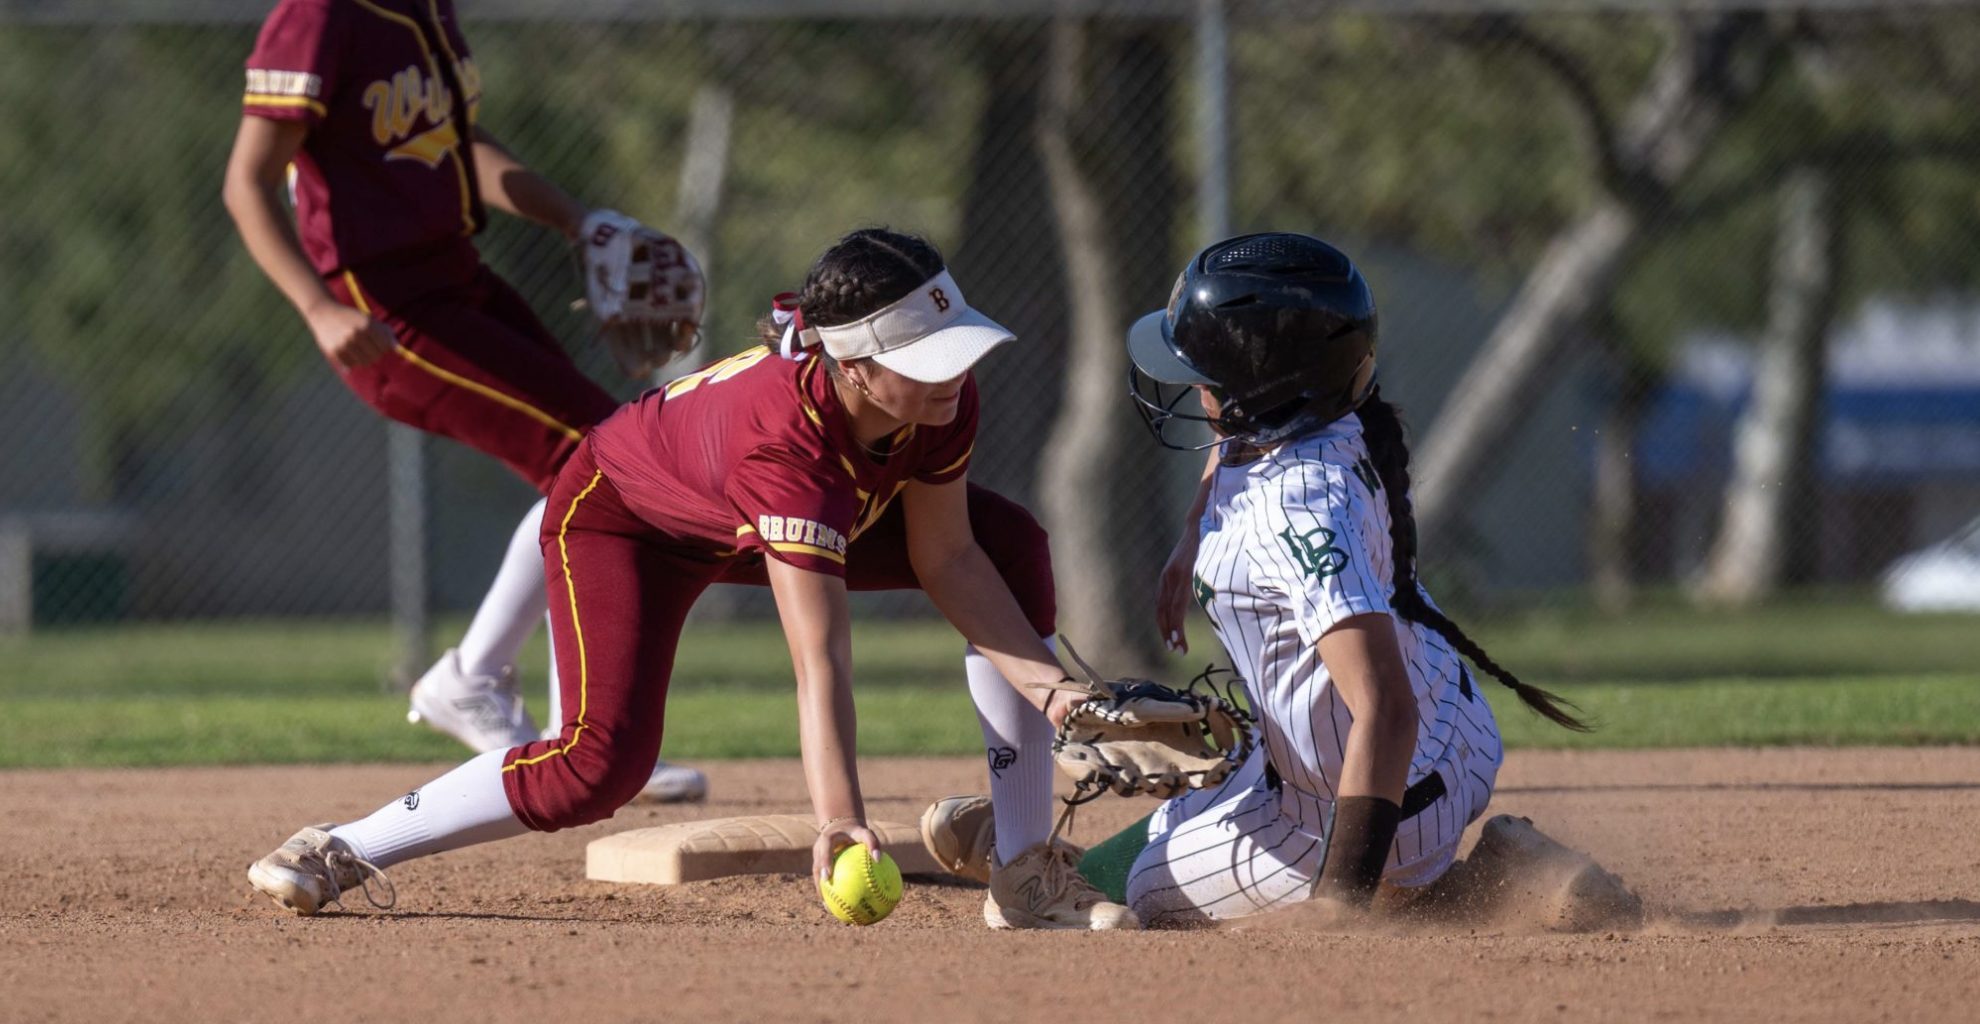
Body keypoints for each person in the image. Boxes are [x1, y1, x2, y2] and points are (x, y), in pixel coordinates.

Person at [245, 228, 1138, 931]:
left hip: (754, 512)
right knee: (598, 767)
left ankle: (1024, 868)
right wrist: (839, 817)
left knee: (1009, 542)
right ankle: (341, 847)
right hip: (623, 518)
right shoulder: (789, 453)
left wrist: (1058, 696)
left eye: (955, 342)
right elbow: (819, 660)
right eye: (927, 355)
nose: (956, 369)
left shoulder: (937, 395)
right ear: (854, 366)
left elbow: (949, 558)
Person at [923, 232, 1623, 928]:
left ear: (1258, 391)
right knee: (1179, 824)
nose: (1193, 385)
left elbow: (1386, 709)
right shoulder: (1333, 419)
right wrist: (1192, 532)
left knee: (1129, 896)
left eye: (1207, 375)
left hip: (1371, 790)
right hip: (1453, 727)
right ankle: (1067, 855)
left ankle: (1488, 883)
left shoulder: (1295, 515)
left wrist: (1339, 909)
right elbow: (1237, 442)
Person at [220, 0, 703, 801]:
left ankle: (540, 715)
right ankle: (508, 698)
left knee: (602, 461)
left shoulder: (425, 9)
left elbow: (456, 147)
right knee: (600, 464)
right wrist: (318, 309)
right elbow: (247, 183)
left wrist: (576, 221)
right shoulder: (319, 15)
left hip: (455, 277)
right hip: (382, 311)